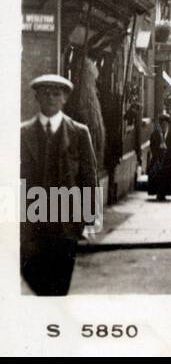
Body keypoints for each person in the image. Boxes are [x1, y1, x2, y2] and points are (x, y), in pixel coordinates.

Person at [20, 74, 99, 296]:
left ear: (64, 98)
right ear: (37, 97)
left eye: (56, 93)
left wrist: (90, 219)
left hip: (66, 222)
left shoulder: (79, 133)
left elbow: (88, 177)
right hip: (31, 222)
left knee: (59, 284)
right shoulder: (23, 133)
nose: (51, 98)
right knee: (32, 275)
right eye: (45, 93)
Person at [146, 114, 171, 201]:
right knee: (157, 176)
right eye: (162, 124)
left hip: (168, 159)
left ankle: (164, 193)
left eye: (165, 124)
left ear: (167, 125)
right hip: (158, 158)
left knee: (166, 176)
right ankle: (158, 193)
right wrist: (157, 153)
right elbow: (152, 146)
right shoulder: (155, 134)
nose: (163, 125)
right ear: (160, 124)